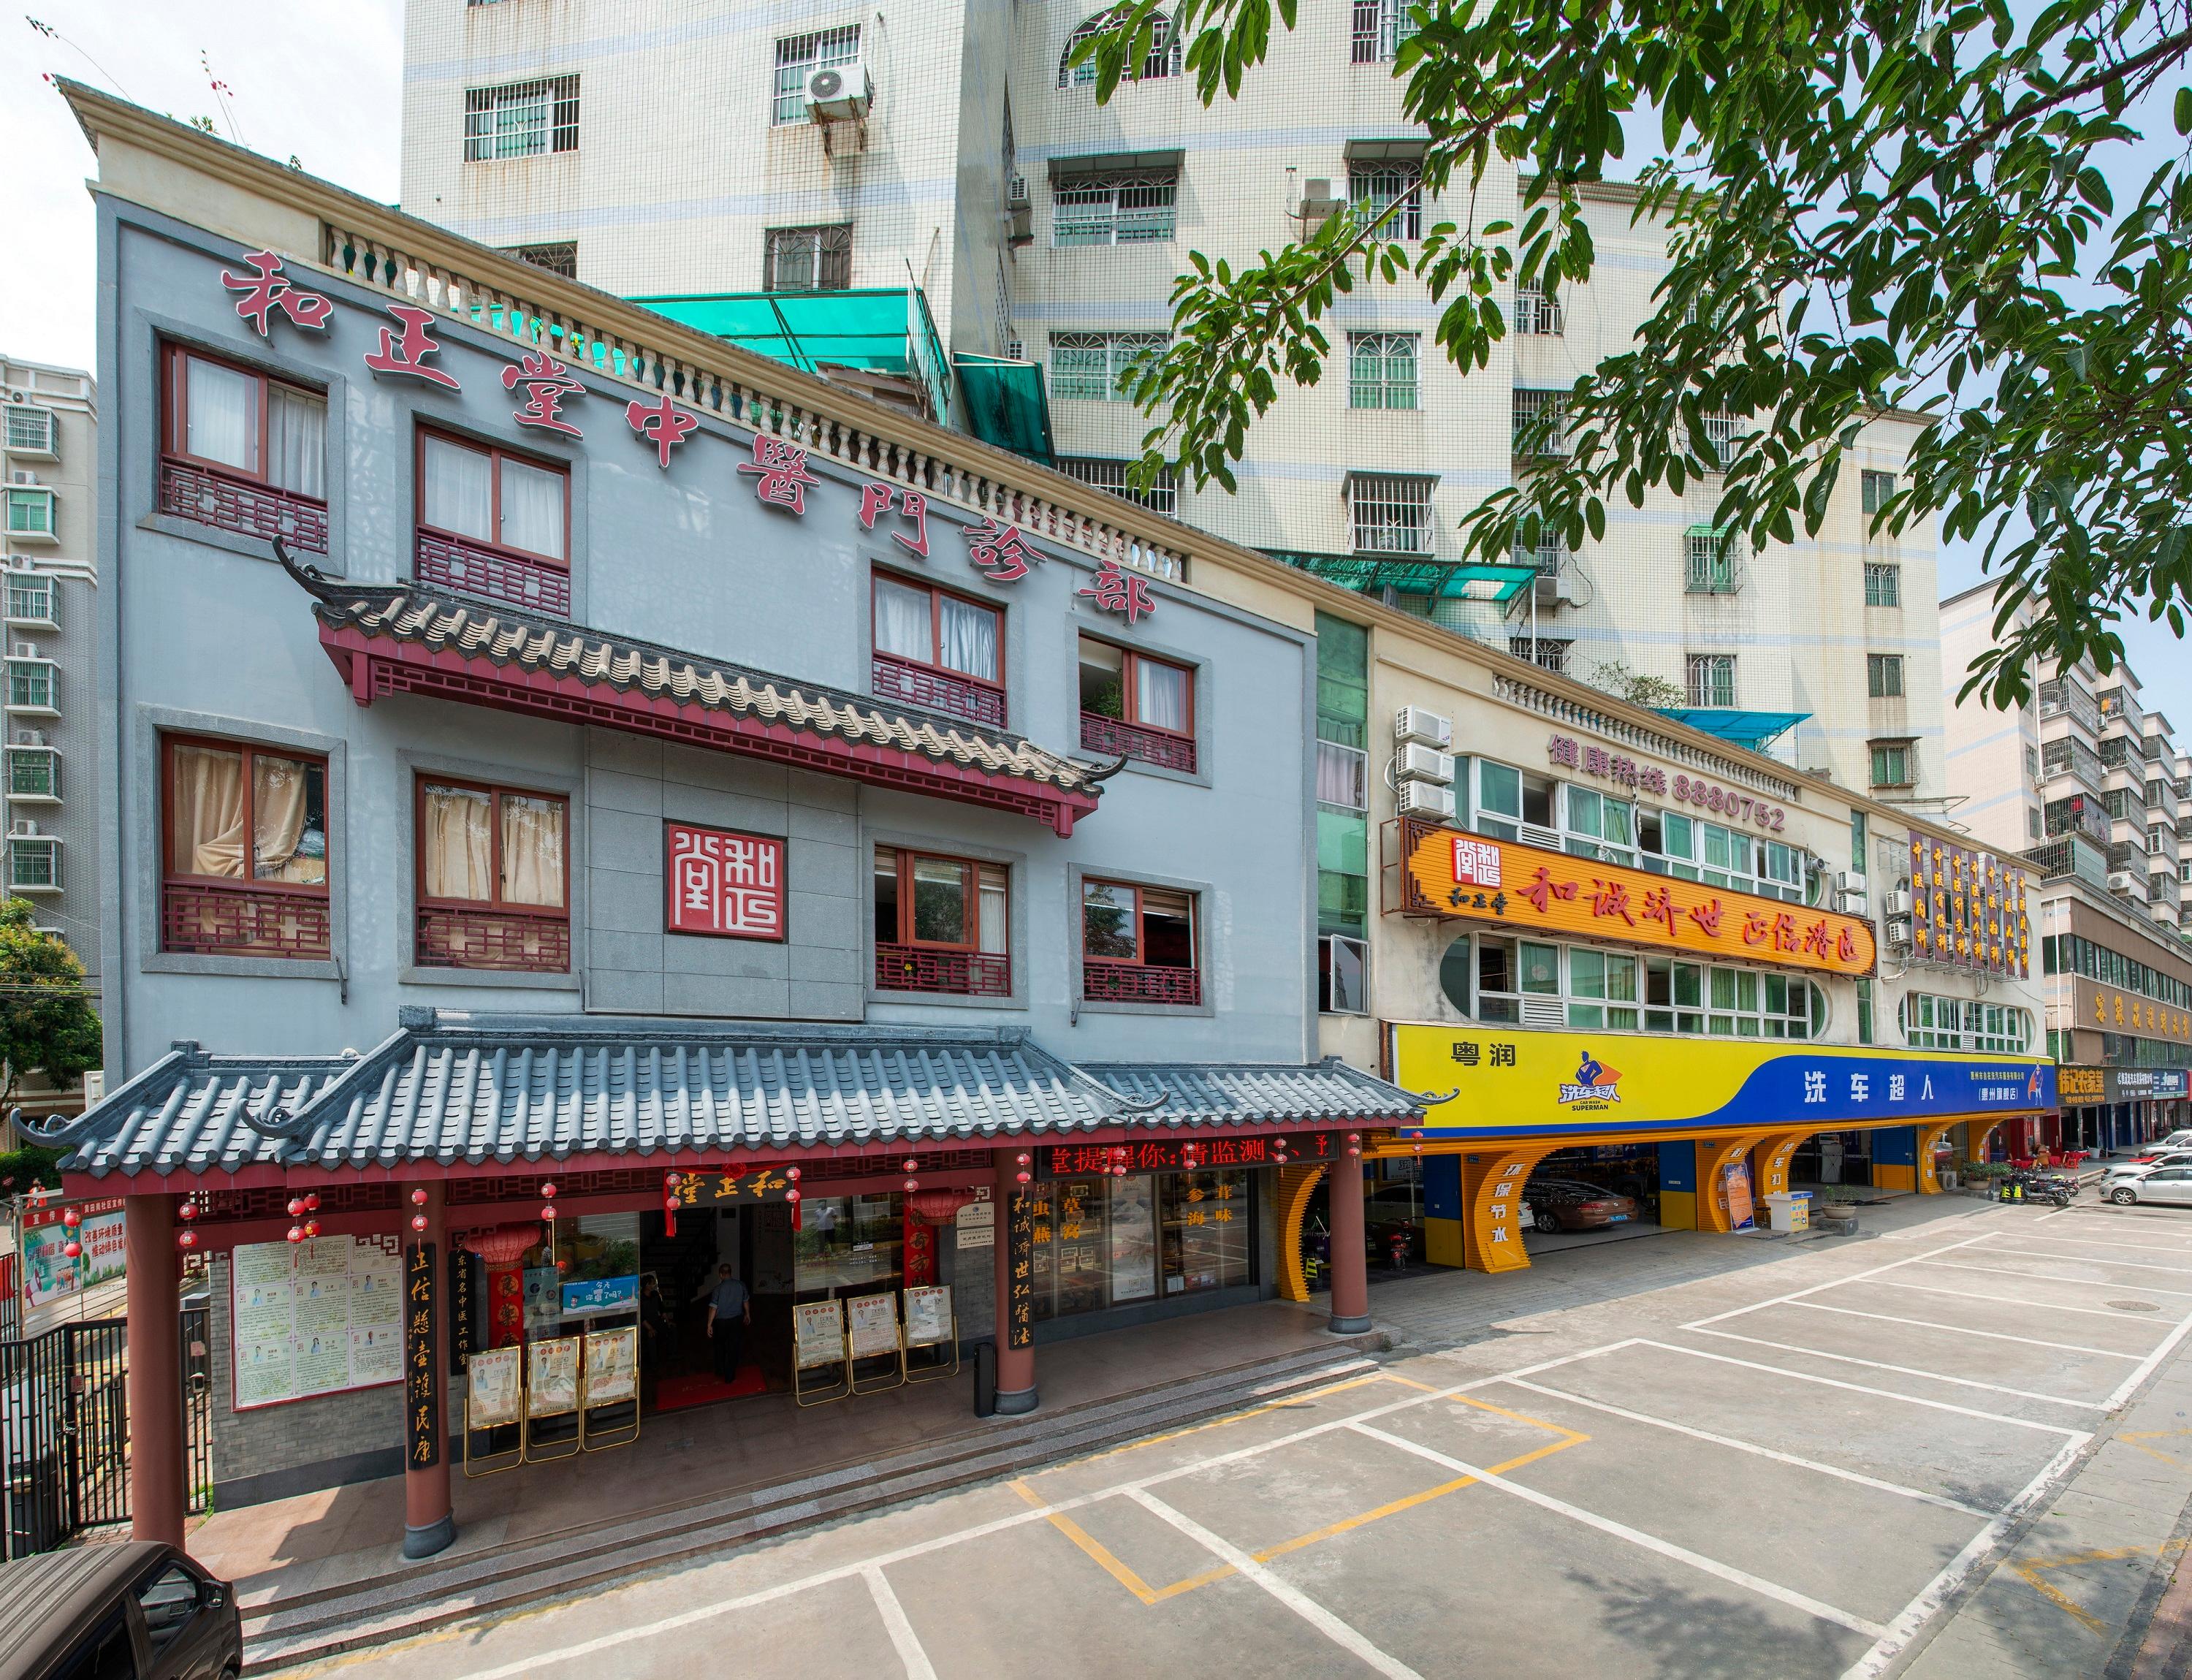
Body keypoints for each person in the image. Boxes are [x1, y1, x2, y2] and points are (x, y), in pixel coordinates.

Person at [704, 1262, 750, 1386]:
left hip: (721, 1322)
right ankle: (730, 1376)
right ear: (730, 1272)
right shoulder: (741, 1285)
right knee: (733, 1347)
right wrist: (747, 1314)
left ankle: (720, 1370)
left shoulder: (718, 1289)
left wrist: (709, 1324)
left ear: (721, 1274)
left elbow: (713, 1308)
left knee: (719, 1346)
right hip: (736, 1320)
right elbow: (746, 1301)